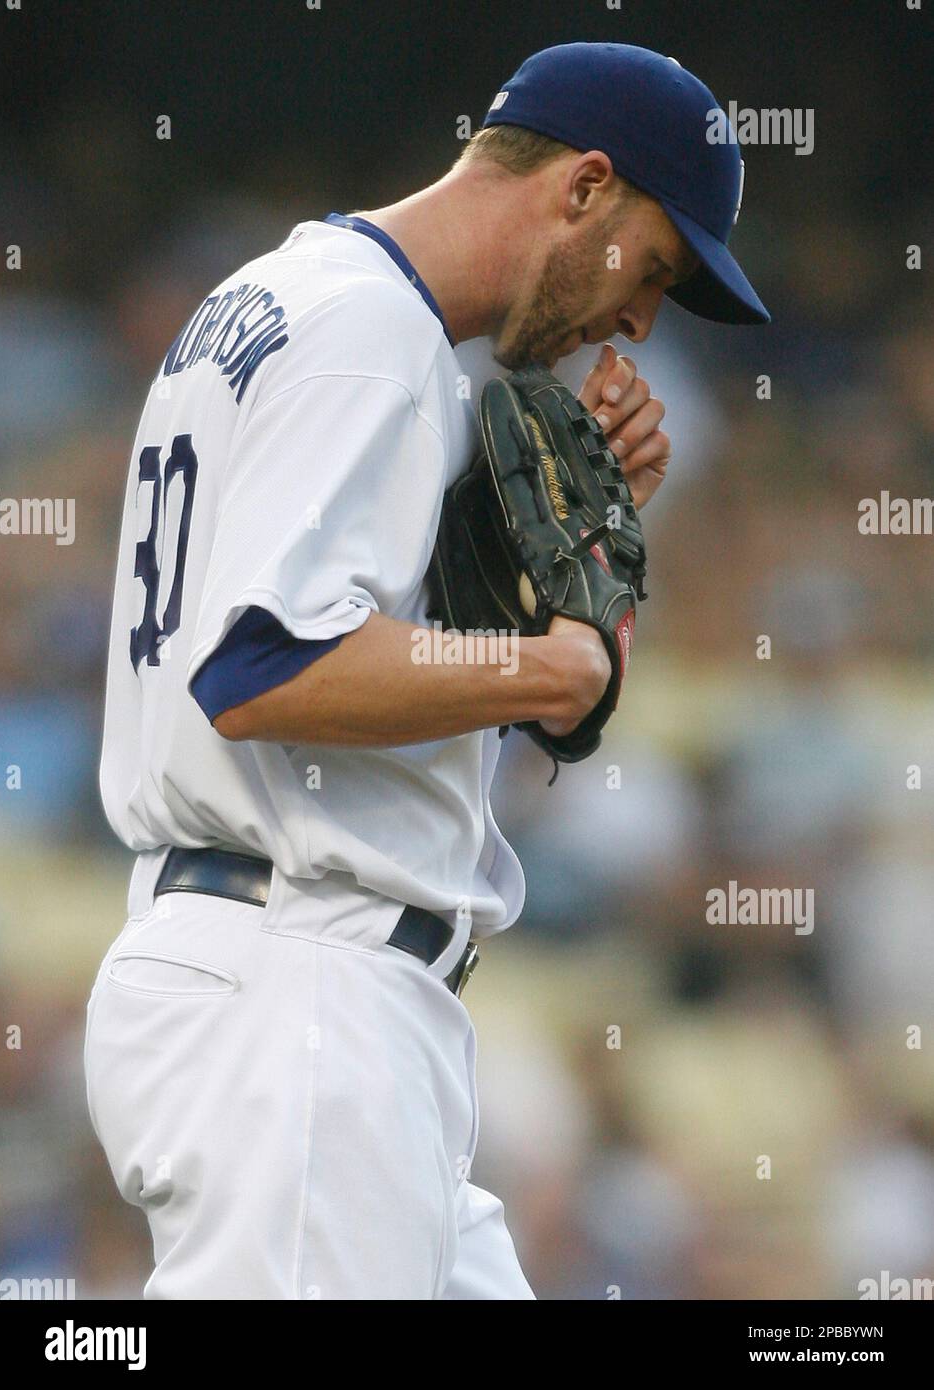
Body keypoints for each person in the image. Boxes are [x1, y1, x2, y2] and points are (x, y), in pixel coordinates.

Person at [84, 42, 768, 1300]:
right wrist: (545, 666)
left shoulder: (298, 293)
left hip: (312, 986)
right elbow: (263, 668)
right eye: (654, 269)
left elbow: (361, 676)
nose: (638, 322)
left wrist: (563, 589)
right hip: (296, 988)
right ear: (583, 187)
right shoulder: (371, 329)